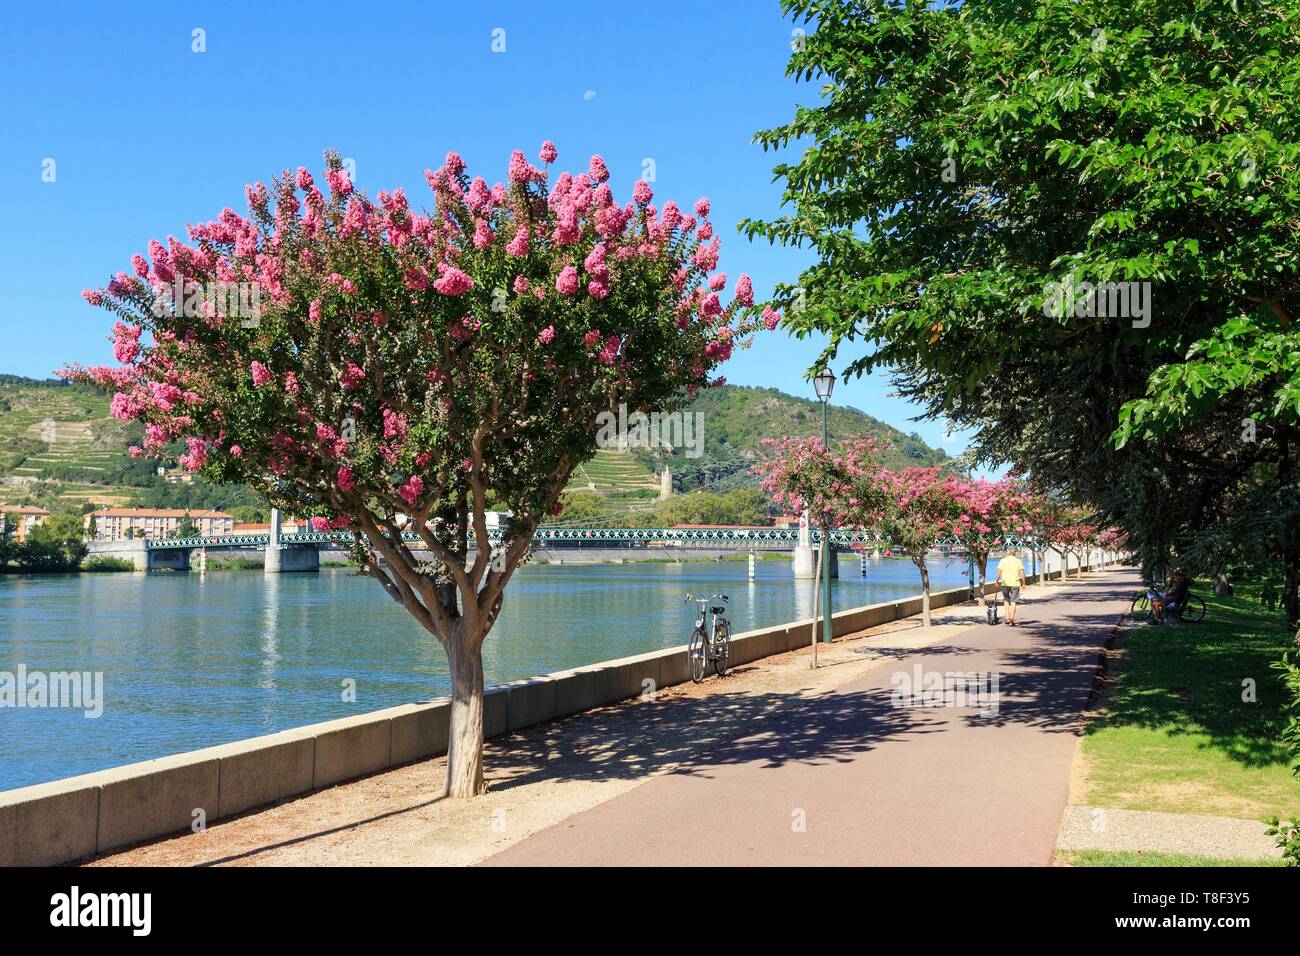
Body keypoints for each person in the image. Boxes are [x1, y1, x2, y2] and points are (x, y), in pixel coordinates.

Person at [995, 551, 1027, 626]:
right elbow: (1022, 573)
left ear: (1008, 553)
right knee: (1013, 601)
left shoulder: (1003, 560)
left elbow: (998, 571)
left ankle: (1007, 618)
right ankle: (1011, 620)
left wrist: (996, 581)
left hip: (1005, 583)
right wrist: (1024, 583)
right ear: (1014, 554)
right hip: (1015, 583)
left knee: (1006, 600)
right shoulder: (1018, 561)